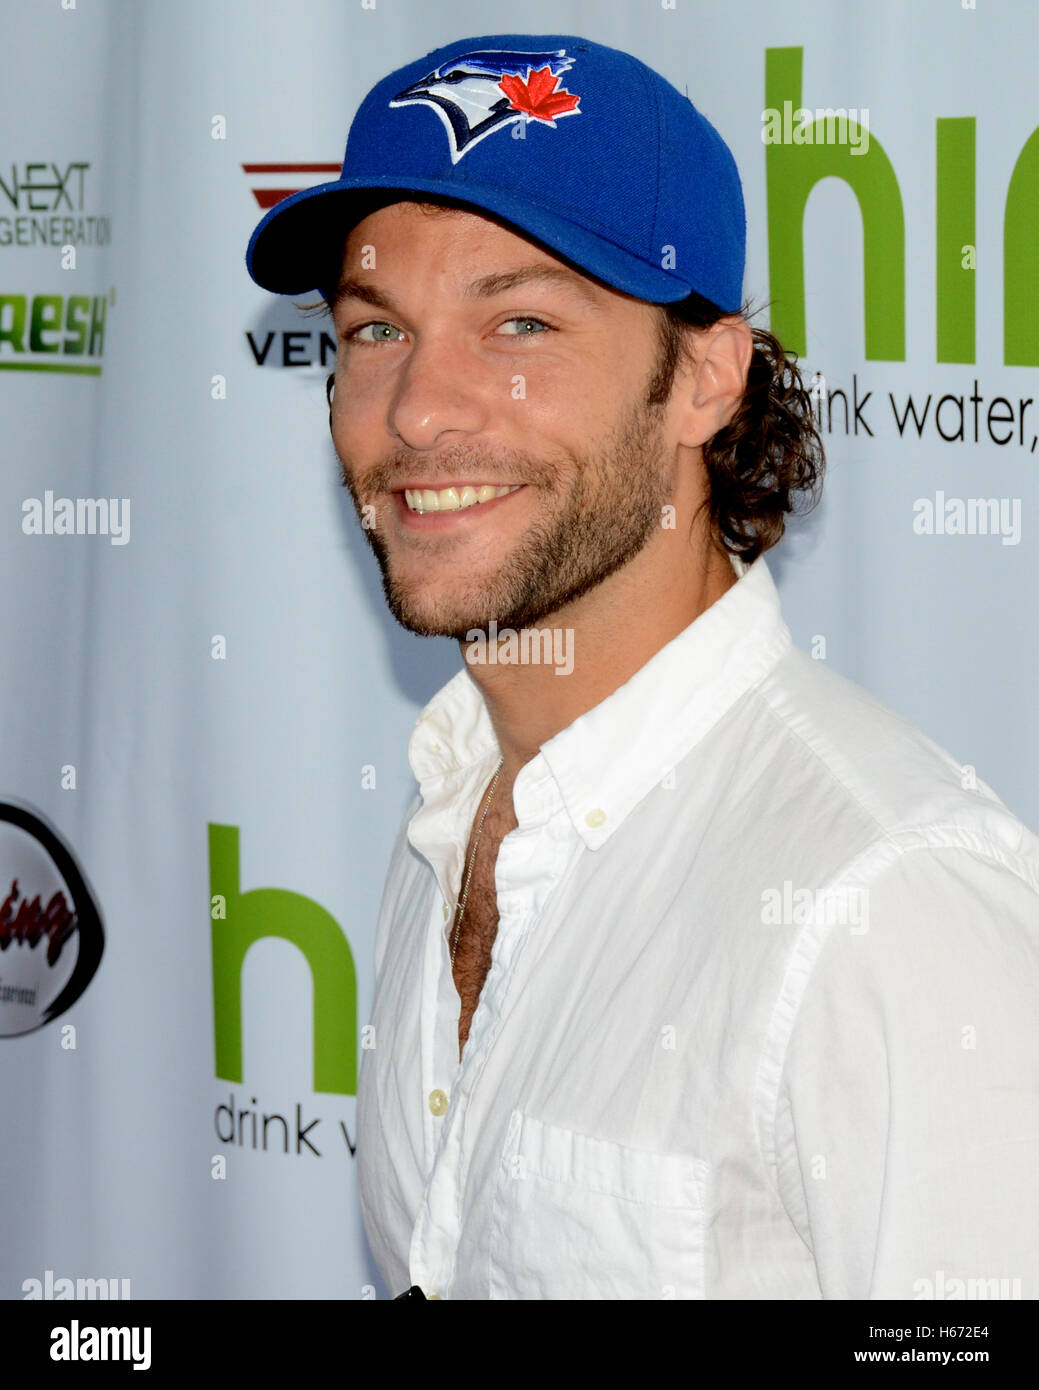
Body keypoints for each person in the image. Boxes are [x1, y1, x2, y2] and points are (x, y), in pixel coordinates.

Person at [247, 32, 1039, 1300]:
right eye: (375, 330)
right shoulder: (455, 808)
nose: (417, 409)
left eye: (518, 321)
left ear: (705, 377)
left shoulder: (886, 899)